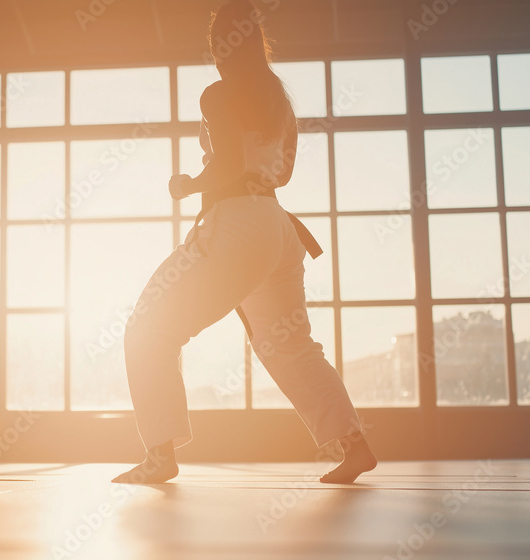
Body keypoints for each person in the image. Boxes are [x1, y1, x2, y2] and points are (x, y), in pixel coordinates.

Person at [113, 0, 376, 485]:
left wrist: (186, 184)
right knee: (291, 345)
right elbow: (286, 172)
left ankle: (159, 456)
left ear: (220, 47)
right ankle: (353, 446)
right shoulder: (280, 101)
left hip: (235, 225)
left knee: (148, 325)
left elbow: (230, 164)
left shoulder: (217, 94)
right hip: (277, 227)